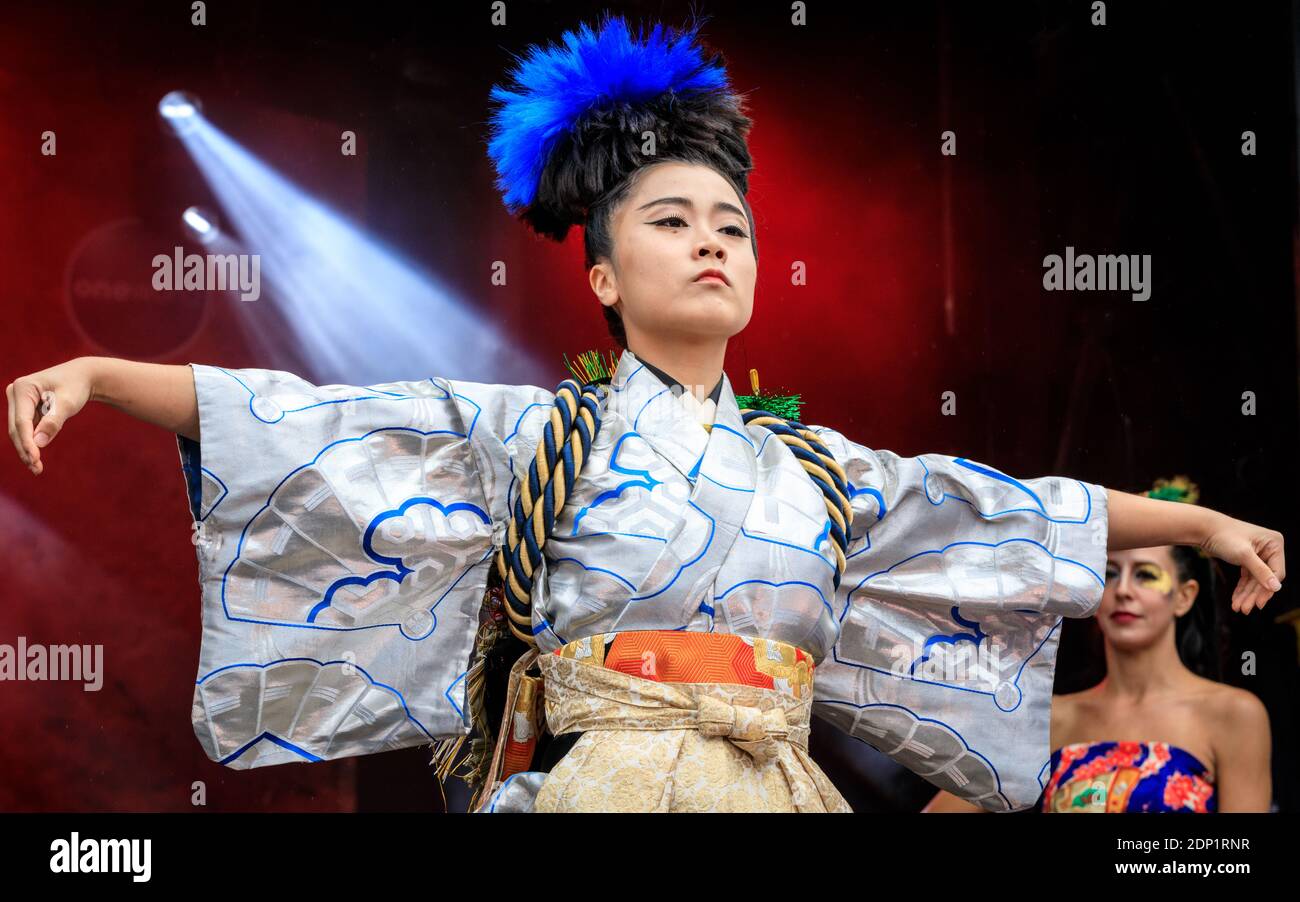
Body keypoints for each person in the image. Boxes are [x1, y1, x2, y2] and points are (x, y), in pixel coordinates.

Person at [5, 15, 1285, 813]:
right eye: (671, 221)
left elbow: (1003, 512)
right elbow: (318, 423)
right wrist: (110, 375)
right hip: (605, 786)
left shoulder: (821, 474)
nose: (713, 241)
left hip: (778, 785)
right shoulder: (534, 437)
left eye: (731, 222)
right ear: (605, 276)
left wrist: (1214, 522)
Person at [923, 477, 1273, 813]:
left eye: (1145, 575)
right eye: (1109, 574)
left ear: (1184, 597)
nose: (1123, 590)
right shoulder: (1048, 719)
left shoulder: (1233, 714)